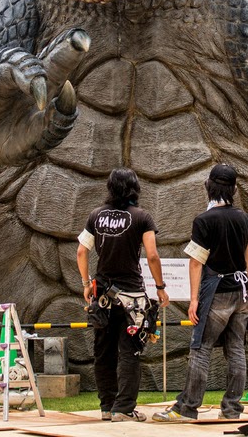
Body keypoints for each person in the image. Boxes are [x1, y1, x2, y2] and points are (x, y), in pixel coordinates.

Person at [154, 163, 248, 422]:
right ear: (233, 189)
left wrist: (194, 299)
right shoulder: (244, 219)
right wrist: (245, 286)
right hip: (243, 291)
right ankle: (232, 409)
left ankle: (187, 408)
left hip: (215, 292)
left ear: (208, 187)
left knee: (201, 348)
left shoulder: (204, 220)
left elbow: (196, 261)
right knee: (236, 349)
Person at [76, 167, 169, 423]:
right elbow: (152, 255)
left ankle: (107, 406)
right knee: (130, 351)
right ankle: (124, 409)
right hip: (133, 298)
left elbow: (81, 252)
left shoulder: (96, 216)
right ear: (134, 188)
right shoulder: (142, 217)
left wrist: (86, 283)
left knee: (103, 352)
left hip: (102, 296)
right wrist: (160, 287)